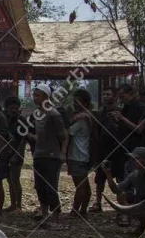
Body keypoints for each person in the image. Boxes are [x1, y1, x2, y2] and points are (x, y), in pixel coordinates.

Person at [27, 84, 67, 224]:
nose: (34, 98)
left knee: (51, 186)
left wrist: (62, 153)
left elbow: (63, 136)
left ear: (45, 96)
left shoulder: (54, 114)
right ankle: (44, 213)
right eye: (34, 95)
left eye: (37, 95)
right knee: (39, 186)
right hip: (39, 154)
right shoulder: (37, 114)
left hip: (51, 156)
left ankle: (56, 215)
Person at [90, 89, 122, 213]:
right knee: (100, 178)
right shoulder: (99, 113)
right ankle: (98, 202)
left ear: (115, 97)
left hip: (118, 149)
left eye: (108, 94)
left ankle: (122, 204)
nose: (105, 96)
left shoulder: (120, 112)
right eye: (103, 94)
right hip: (102, 149)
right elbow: (95, 132)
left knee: (120, 178)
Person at [114, 146, 145, 234]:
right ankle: (142, 225)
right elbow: (116, 189)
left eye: (135, 159)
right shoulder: (135, 174)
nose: (132, 162)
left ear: (144, 160)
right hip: (142, 202)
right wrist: (108, 173)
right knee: (123, 195)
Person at [66, 90, 94, 218]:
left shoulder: (81, 119)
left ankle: (75, 211)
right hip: (84, 154)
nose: (75, 104)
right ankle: (83, 210)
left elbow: (68, 133)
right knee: (84, 185)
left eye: (77, 102)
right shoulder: (88, 117)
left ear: (85, 103)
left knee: (80, 186)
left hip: (77, 155)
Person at [0, 96, 26, 212]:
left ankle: (18, 205)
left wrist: (17, 154)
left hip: (17, 154)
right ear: (6, 109)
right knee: (9, 180)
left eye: (16, 108)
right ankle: (12, 204)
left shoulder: (22, 121)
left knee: (15, 179)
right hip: (6, 153)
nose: (14, 111)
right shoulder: (4, 119)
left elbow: (23, 140)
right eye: (11, 108)